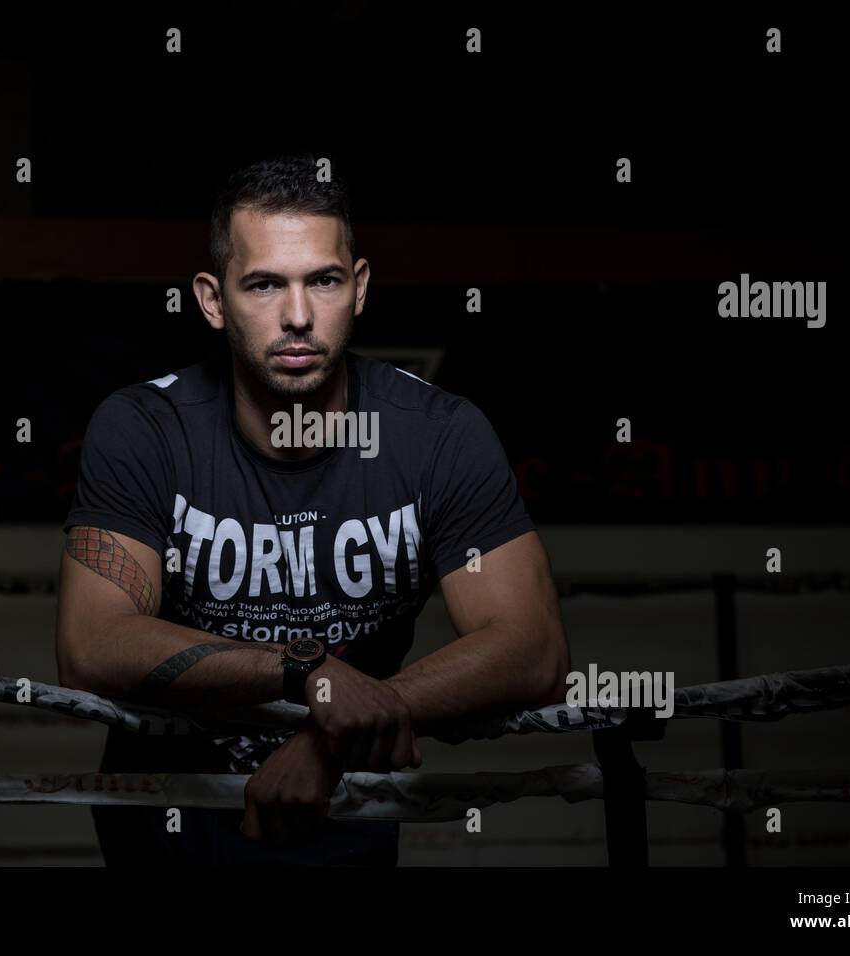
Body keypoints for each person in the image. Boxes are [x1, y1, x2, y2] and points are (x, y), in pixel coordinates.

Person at [55, 154, 570, 865]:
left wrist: (327, 743)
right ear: (212, 299)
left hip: (341, 810)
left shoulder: (437, 434)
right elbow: (91, 645)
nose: (297, 316)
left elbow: (533, 649)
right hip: (167, 820)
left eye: (322, 281)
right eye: (264, 284)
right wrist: (307, 670)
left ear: (358, 287)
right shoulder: (146, 426)